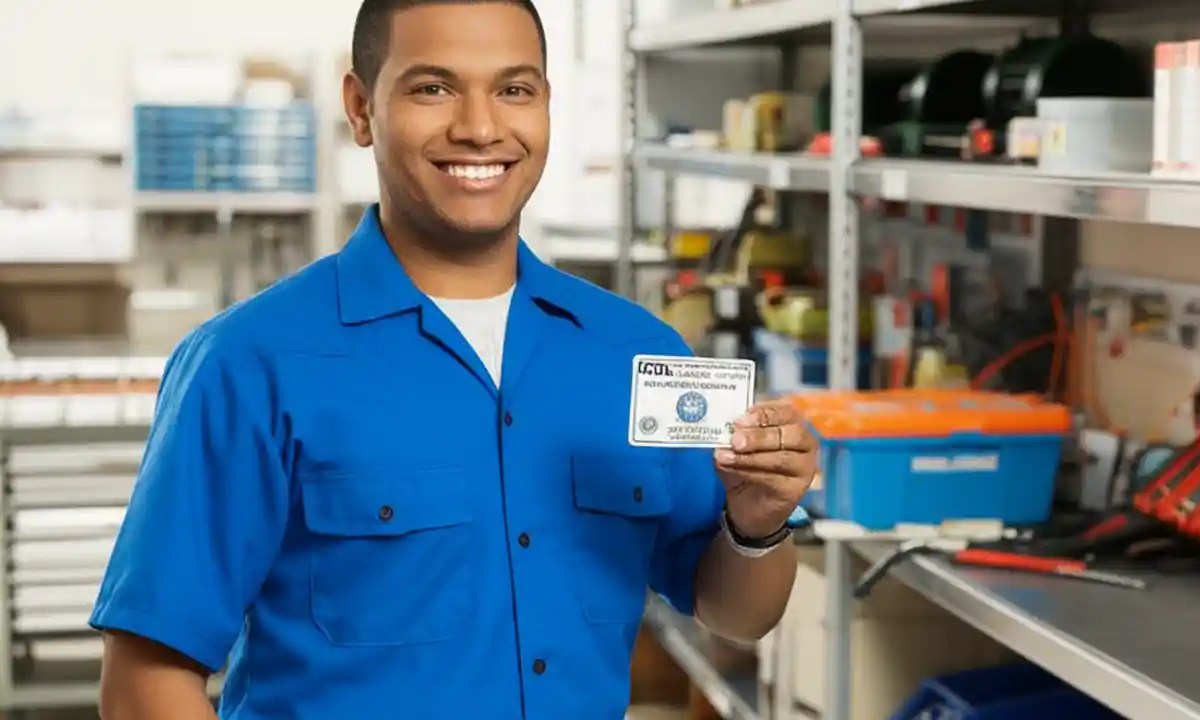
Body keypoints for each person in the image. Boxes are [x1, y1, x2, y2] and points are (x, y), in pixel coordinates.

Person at [91, 1, 819, 718]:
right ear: (360, 107)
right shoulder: (247, 366)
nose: (479, 128)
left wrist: (757, 524)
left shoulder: (637, 354)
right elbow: (142, 687)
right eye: (432, 87)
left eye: (514, 90)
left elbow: (734, 612)